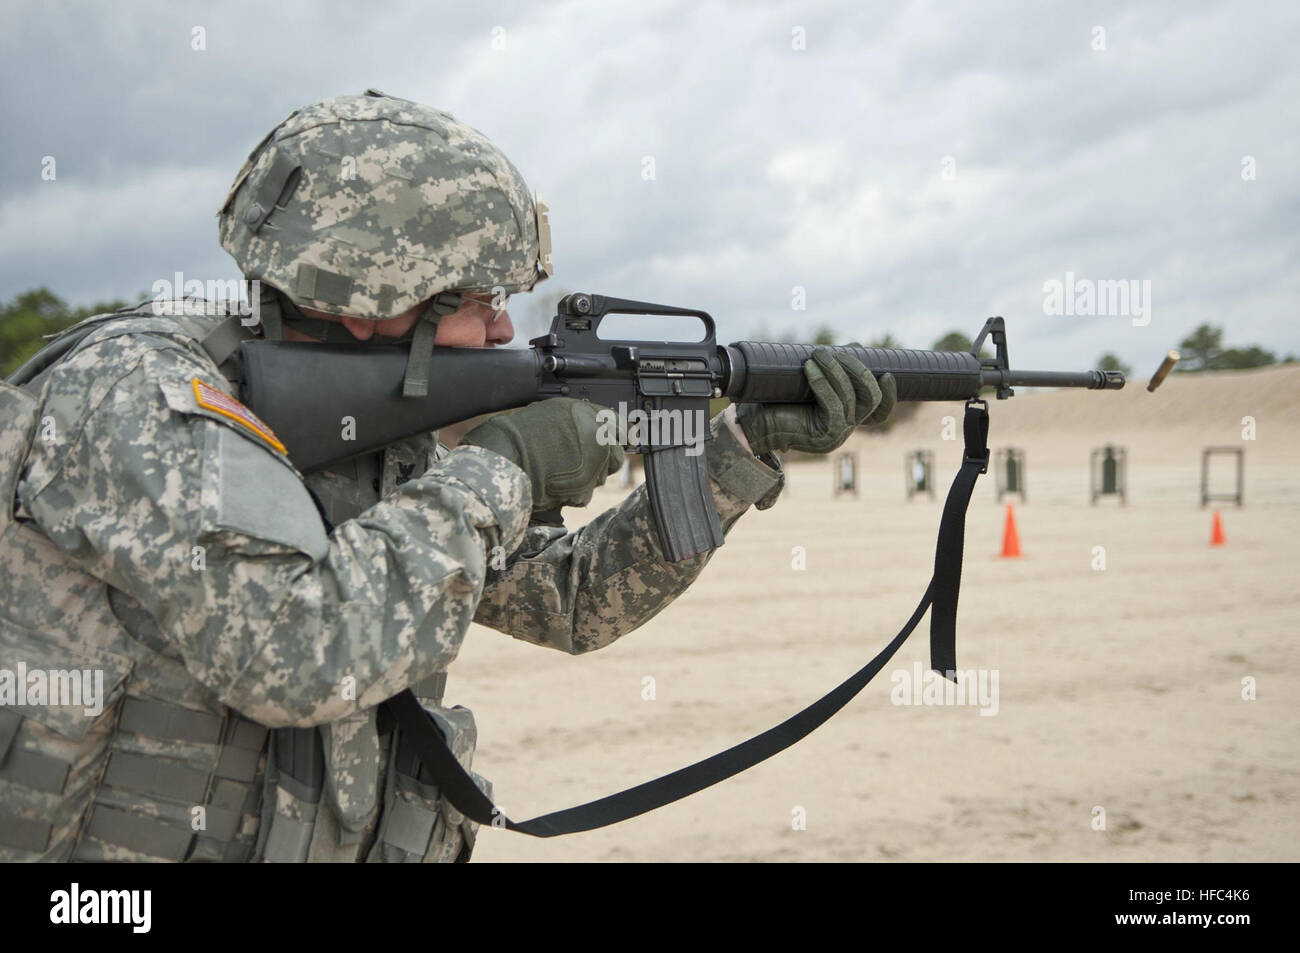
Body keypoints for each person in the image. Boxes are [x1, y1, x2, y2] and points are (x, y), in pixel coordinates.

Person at [0, 90, 893, 862]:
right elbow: (296, 653)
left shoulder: (372, 435)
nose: (506, 331)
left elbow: (571, 599)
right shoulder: (136, 397)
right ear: (376, 305)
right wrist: (505, 465)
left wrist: (738, 451)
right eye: (480, 300)